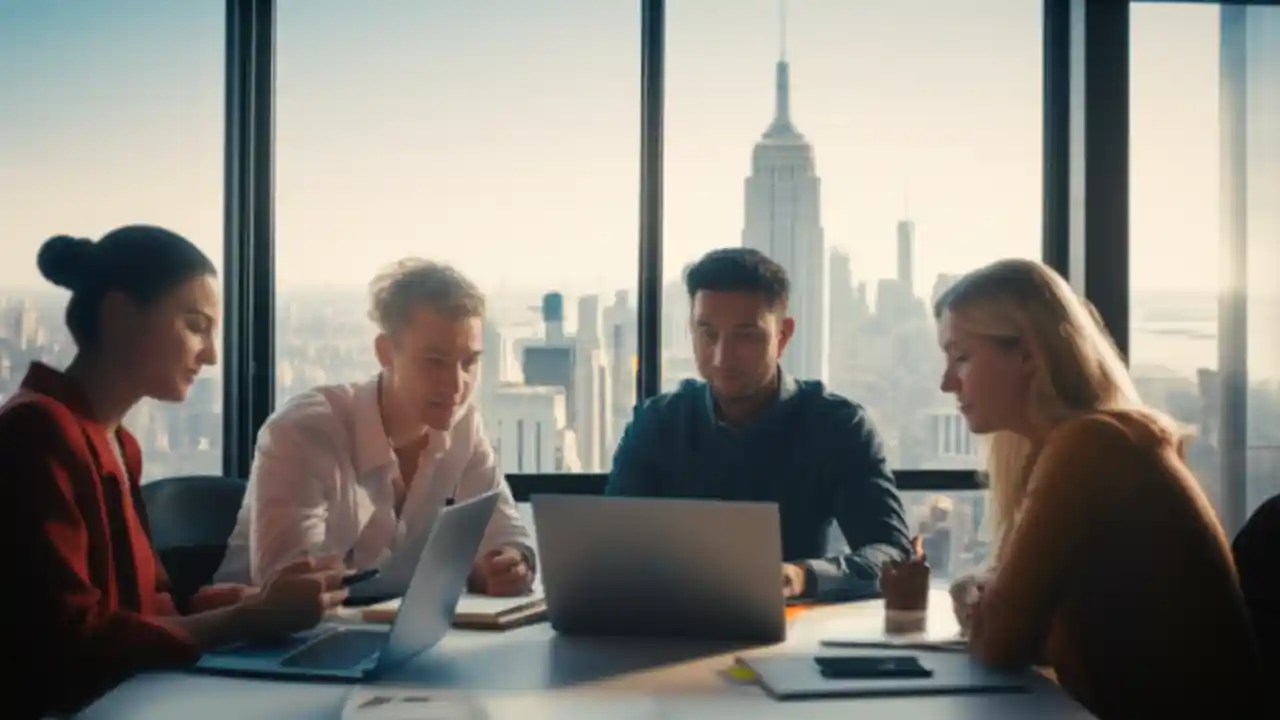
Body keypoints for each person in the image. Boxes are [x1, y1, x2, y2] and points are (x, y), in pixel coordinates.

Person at [4, 226, 347, 718]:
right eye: (194, 325)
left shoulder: (118, 443)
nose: (209, 355)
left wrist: (223, 606)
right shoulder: (37, 432)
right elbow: (72, 644)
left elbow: (138, 613)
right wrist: (244, 619)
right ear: (120, 316)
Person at [935, 258, 1264, 719]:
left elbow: (999, 643)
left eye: (961, 357)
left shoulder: (1090, 447)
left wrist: (980, 604)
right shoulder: (1081, 445)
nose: (947, 382)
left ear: (1028, 354)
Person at [215, 258, 534, 598]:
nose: (457, 384)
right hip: (260, 645)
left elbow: (507, 537)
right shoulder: (304, 431)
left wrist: (509, 564)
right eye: (435, 362)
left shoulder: (463, 424)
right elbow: (289, 590)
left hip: (381, 636)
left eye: (469, 362)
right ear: (385, 353)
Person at [605, 247, 911, 601]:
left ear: (783, 335)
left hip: (790, 627)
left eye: (746, 335)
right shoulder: (657, 423)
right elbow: (614, 548)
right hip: (669, 627)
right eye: (707, 333)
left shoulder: (837, 426)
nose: (721, 356)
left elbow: (891, 553)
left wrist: (803, 576)